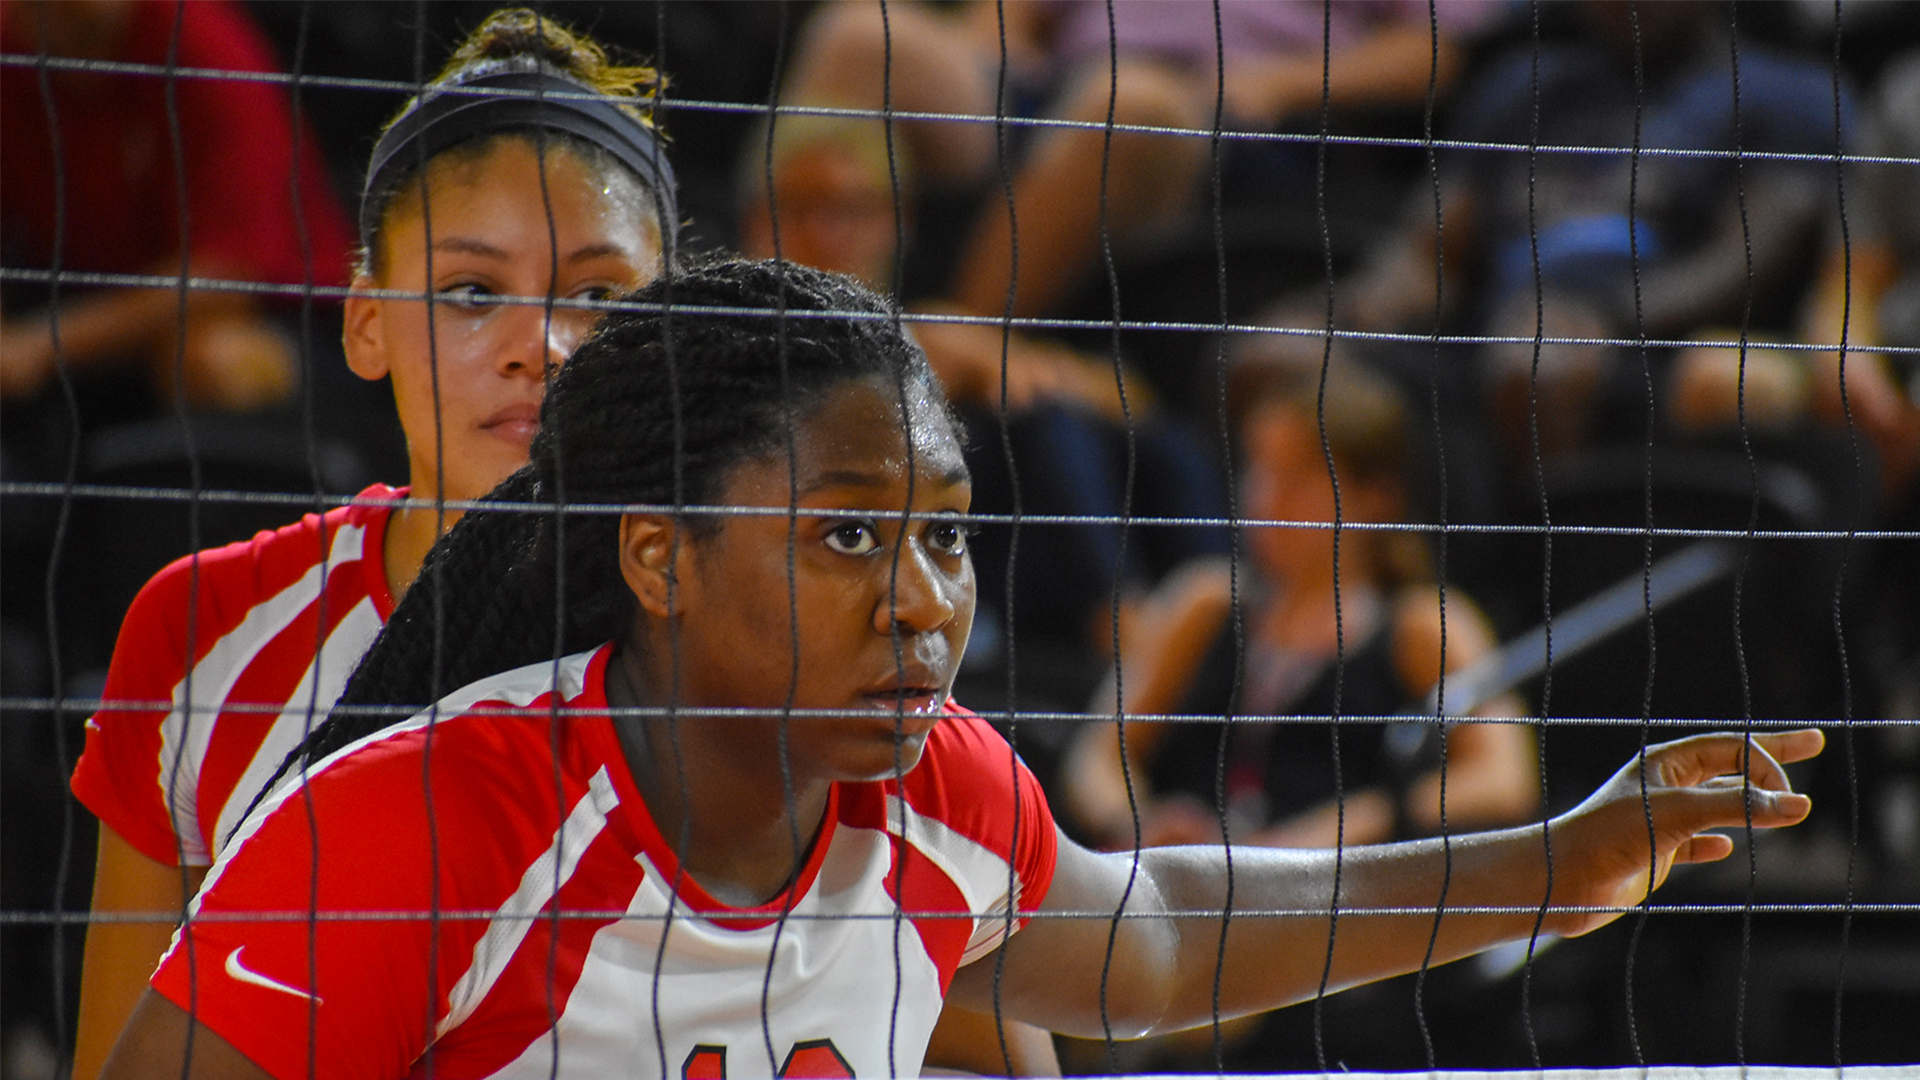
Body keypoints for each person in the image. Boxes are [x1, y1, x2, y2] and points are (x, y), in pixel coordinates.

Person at [99, 258, 1822, 1080]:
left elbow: (1159, 939)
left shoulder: (931, 794)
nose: (927, 602)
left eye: (947, 534)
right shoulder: (412, 830)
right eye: (851, 536)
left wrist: (1560, 859)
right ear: (659, 559)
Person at [65, 10, 674, 1078]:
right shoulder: (201, 627)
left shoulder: (758, 633)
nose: (542, 346)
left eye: (599, 297)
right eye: (473, 291)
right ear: (364, 322)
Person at [1063, 352, 1537, 854]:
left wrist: (1345, 828)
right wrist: (1141, 823)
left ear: (1376, 496)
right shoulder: (1205, 601)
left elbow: (1506, 780)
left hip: (1335, 900)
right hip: (1189, 888)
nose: (1266, 500)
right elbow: (1098, 757)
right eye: (1259, 470)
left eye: (1297, 478)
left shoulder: (1421, 622)